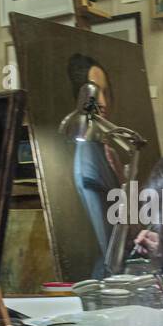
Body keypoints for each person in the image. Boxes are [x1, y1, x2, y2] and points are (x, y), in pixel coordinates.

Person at [67, 54, 121, 277]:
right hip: (108, 278)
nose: (104, 103)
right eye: (94, 92)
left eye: (105, 92)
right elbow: (108, 245)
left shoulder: (105, 148)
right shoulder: (88, 157)